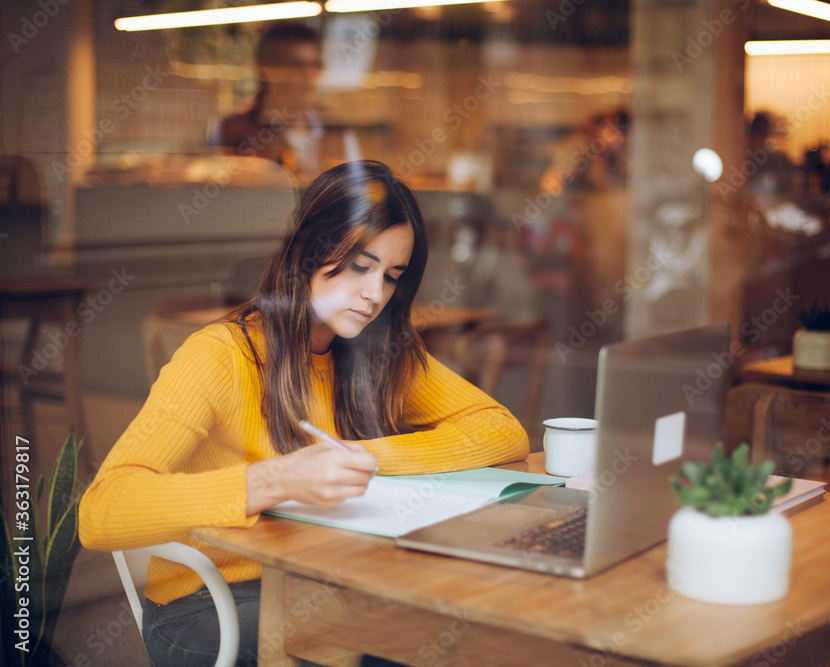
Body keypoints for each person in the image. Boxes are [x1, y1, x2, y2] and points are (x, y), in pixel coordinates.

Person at [80, 160, 529, 667]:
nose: (375, 294)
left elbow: (501, 431)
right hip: (211, 601)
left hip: (322, 575)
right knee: (389, 642)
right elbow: (101, 512)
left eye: (391, 277)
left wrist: (364, 456)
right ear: (307, 250)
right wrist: (276, 479)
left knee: (464, 623)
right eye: (361, 266)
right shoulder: (222, 355)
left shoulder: (379, 353)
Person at [212, 21, 353, 183]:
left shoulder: (336, 127)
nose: (309, 75)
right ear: (268, 70)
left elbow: (356, 189)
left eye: (315, 65)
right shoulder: (232, 130)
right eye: (297, 66)